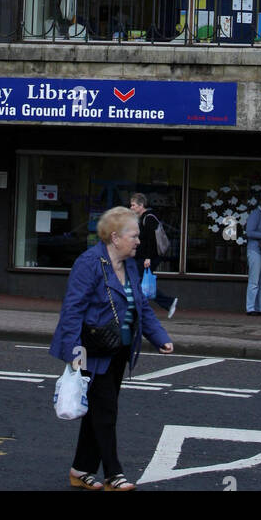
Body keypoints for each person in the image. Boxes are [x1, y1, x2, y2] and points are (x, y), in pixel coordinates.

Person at [50, 206, 174, 491]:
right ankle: (113, 475)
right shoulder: (90, 263)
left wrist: (159, 337)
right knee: (105, 411)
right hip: (91, 350)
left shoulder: (129, 264)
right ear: (115, 237)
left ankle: (80, 470)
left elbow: (141, 305)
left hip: (119, 349)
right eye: (134, 235)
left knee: (96, 411)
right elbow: (72, 310)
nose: (138, 241)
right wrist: (73, 355)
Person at [129, 192, 178, 318]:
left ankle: (168, 302)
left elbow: (152, 241)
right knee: (140, 283)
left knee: (142, 284)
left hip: (148, 258)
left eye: (133, 205)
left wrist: (148, 258)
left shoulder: (149, 218)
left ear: (141, 205)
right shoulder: (143, 218)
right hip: (143, 257)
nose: (131, 207)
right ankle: (165, 303)